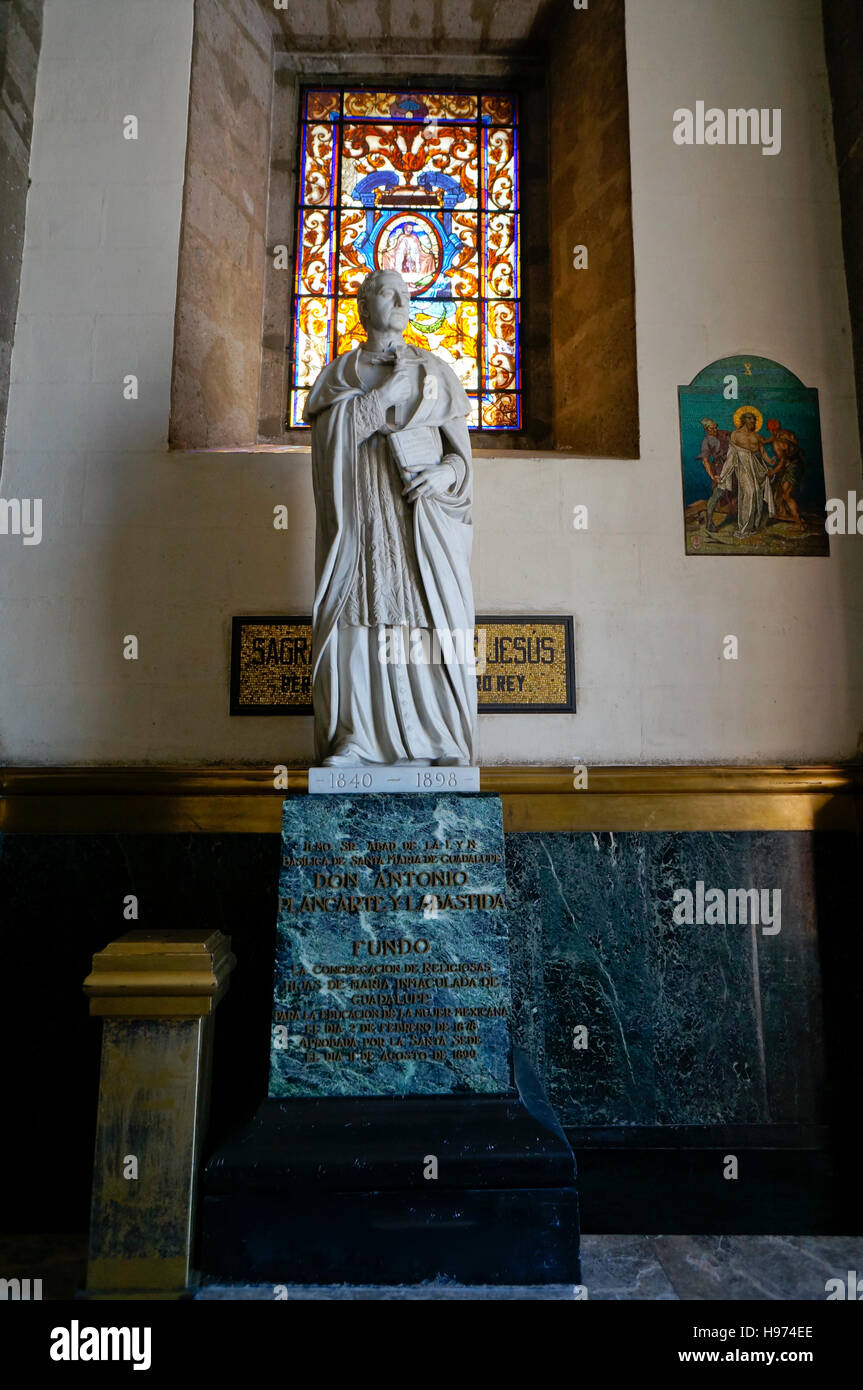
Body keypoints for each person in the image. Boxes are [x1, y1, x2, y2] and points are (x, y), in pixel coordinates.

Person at [304, 269, 477, 767]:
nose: (400, 298)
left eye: (405, 292)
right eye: (386, 291)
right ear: (362, 307)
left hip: (418, 524)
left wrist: (444, 474)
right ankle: (356, 739)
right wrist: (380, 399)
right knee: (358, 617)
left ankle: (437, 739)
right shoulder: (339, 376)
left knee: (422, 617)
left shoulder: (434, 372)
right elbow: (327, 450)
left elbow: (461, 462)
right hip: (361, 520)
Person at [707, 408, 775, 538]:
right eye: (751, 420)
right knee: (749, 492)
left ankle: (754, 525)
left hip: (757, 467)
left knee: (756, 494)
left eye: (754, 420)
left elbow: (762, 452)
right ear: (744, 421)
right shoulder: (735, 435)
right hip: (743, 467)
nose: (753, 422)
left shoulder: (757, 435)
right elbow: (731, 455)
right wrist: (724, 474)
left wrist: (770, 461)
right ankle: (744, 528)